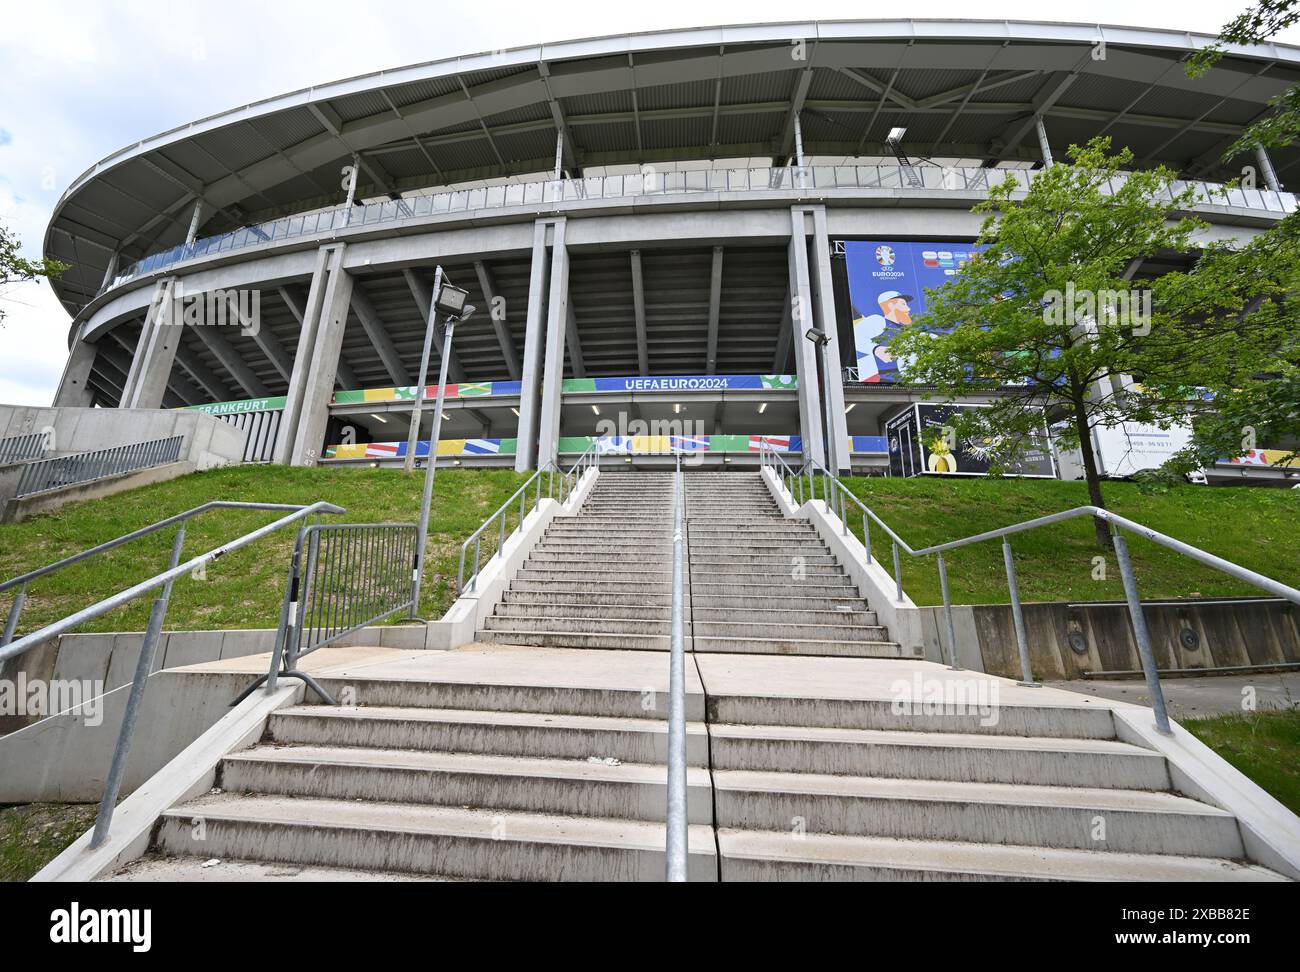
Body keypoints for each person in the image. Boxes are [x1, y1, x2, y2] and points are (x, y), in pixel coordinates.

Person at [853, 290, 912, 382]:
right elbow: (856, 335)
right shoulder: (879, 321)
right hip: (887, 382)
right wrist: (876, 349)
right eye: (903, 304)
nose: (908, 309)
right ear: (890, 306)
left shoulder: (905, 330)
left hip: (908, 381)